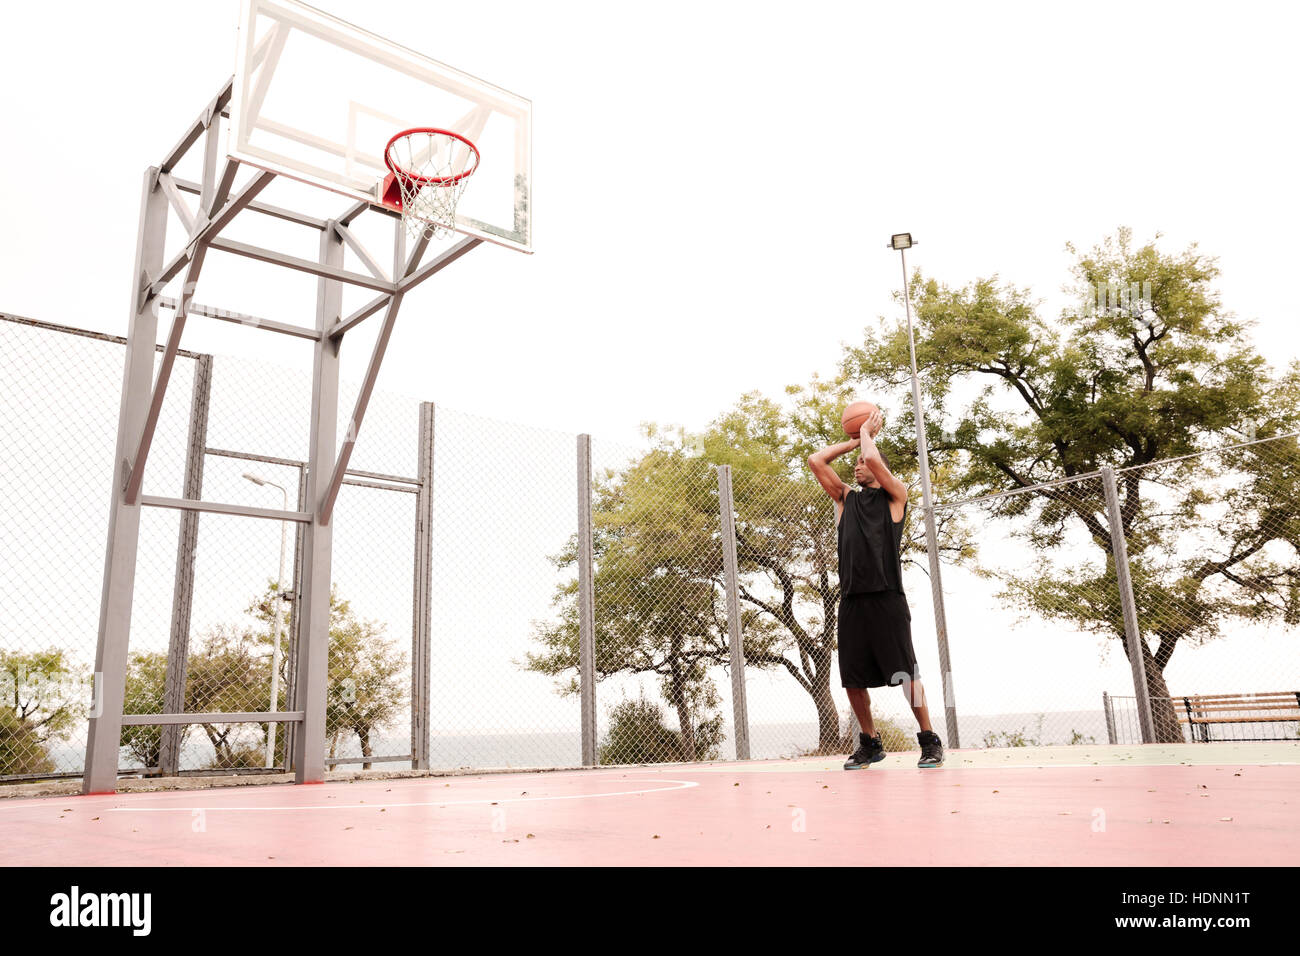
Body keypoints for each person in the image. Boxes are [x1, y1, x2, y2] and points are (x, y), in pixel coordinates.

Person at [806, 407, 944, 769]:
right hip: (852, 602)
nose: (857, 466)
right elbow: (816, 460)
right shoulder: (844, 499)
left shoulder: (895, 496)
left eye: (864, 464)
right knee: (853, 678)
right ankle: (870, 742)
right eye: (856, 464)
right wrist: (852, 439)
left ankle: (929, 740)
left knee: (904, 673)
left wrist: (866, 434)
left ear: (880, 470)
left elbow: (871, 454)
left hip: (886, 599)